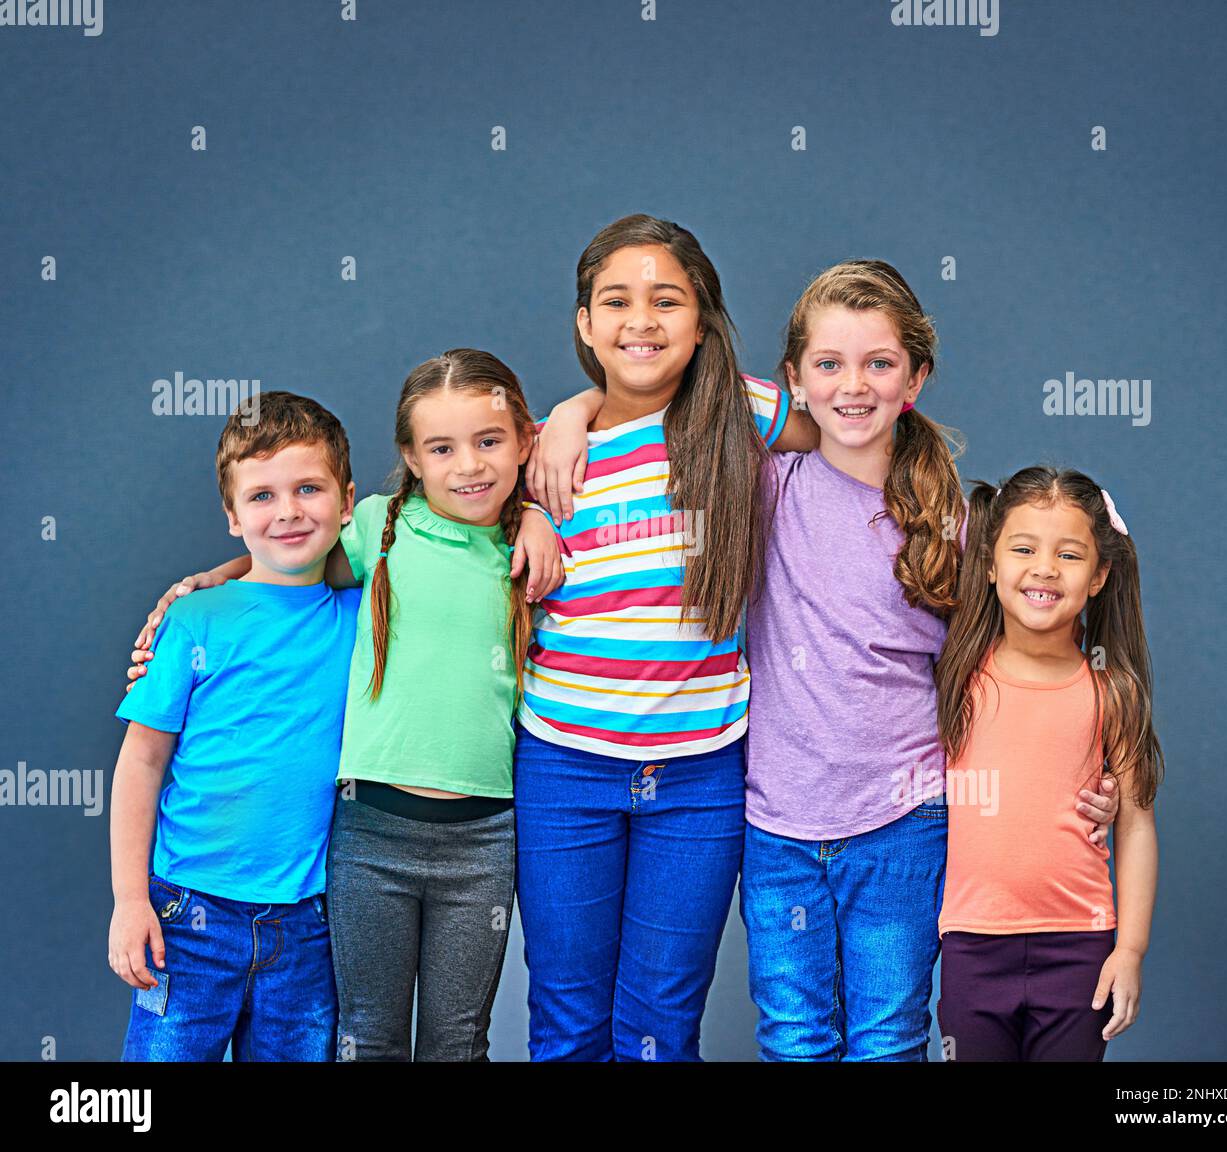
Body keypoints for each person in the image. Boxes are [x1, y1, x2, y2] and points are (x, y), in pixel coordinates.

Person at [124, 351, 563, 1060]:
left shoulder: (514, 550)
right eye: (441, 447)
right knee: (367, 1036)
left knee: (456, 1040)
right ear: (410, 459)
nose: (468, 464)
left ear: (523, 442)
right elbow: (287, 560)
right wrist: (209, 578)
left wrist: (537, 513)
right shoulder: (377, 534)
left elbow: (300, 548)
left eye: (487, 442)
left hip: (464, 845)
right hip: (341, 848)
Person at [740, 261, 1118, 1060]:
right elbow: (688, 395)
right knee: (793, 1040)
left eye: (879, 364)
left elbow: (1035, 643)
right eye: (828, 365)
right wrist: (573, 414)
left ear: (916, 378)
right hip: (777, 824)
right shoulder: (767, 486)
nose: (854, 386)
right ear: (793, 380)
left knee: (887, 1039)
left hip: (905, 827)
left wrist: (1091, 767)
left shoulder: (958, 520)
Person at [516, 213, 818, 1060]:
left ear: (703, 318)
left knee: (659, 1022)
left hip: (699, 770)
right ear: (584, 325)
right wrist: (575, 410)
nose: (640, 322)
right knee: (568, 1015)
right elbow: (392, 534)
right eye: (615, 302)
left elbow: (857, 427)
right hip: (564, 762)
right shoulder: (544, 456)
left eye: (667, 300)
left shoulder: (745, 416)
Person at [109, 391, 361, 1060]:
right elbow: (140, 761)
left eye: (309, 488)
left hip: (308, 923)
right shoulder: (194, 621)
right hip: (184, 917)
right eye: (261, 496)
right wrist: (129, 900)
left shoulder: (363, 614)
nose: (287, 511)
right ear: (231, 514)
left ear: (347, 499)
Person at [934, 467, 1161, 1061]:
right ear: (989, 562)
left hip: (1080, 948)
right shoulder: (955, 677)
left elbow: (1136, 823)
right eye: (1024, 549)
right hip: (972, 947)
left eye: (1069, 554)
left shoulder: (1113, 692)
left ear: (1099, 576)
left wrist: (1129, 951)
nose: (1044, 569)